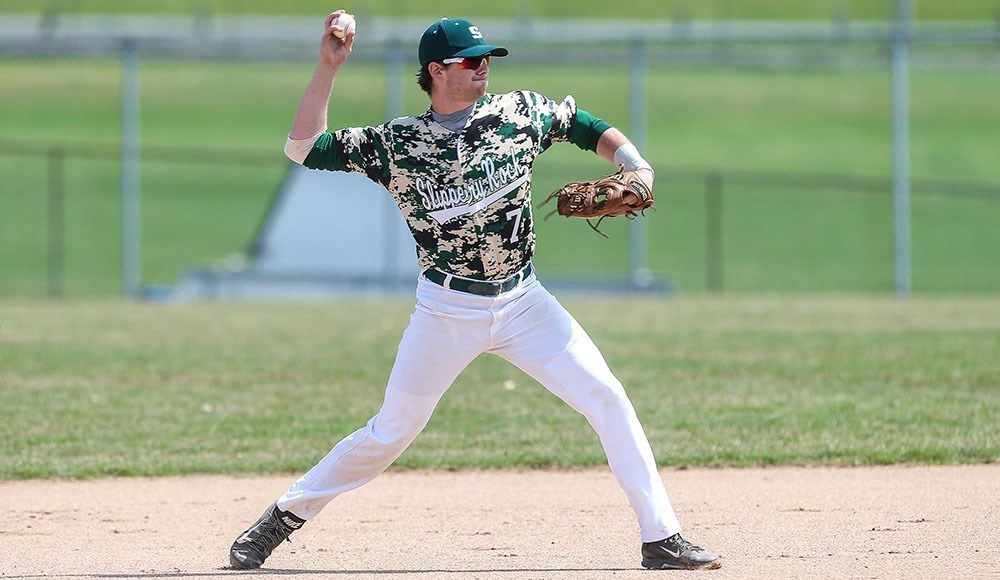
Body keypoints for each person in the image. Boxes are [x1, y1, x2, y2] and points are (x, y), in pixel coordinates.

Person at [229, 11, 721, 572]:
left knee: (606, 397)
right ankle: (280, 520)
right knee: (390, 432)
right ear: (436, 71)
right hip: (446, 309)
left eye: (487, 57)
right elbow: (303, 148)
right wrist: (328, 67)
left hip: (525, 303)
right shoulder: (399, 144)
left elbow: (583, 125)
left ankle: (662, 538)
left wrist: (637, 165)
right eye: (470, 60)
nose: (483, 66)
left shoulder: (518, 112)